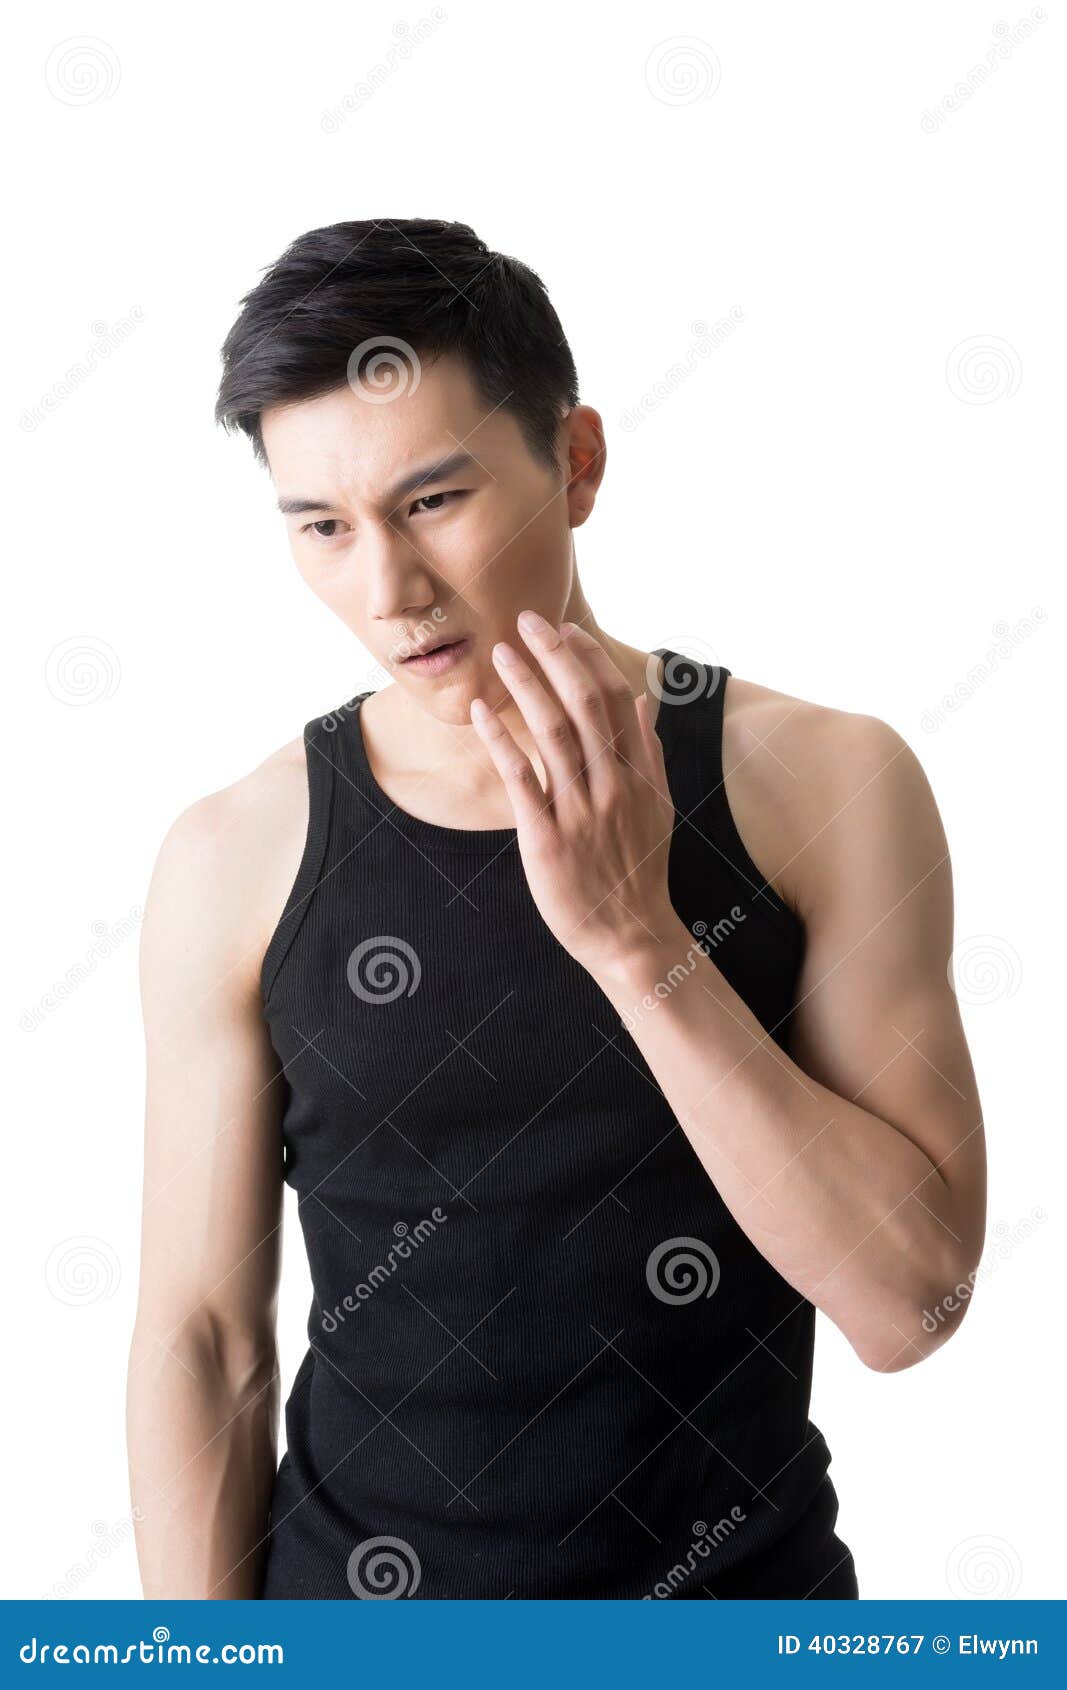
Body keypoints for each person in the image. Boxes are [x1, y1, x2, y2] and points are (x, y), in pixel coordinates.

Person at [126, 218, 987, 1600]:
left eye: (431, 503)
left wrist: (638, 942)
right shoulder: (234, 853)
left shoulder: (828, 784)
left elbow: (913, 1305)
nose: (388, 590)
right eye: (325, 529)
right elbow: (206, 1338)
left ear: (575, 463)